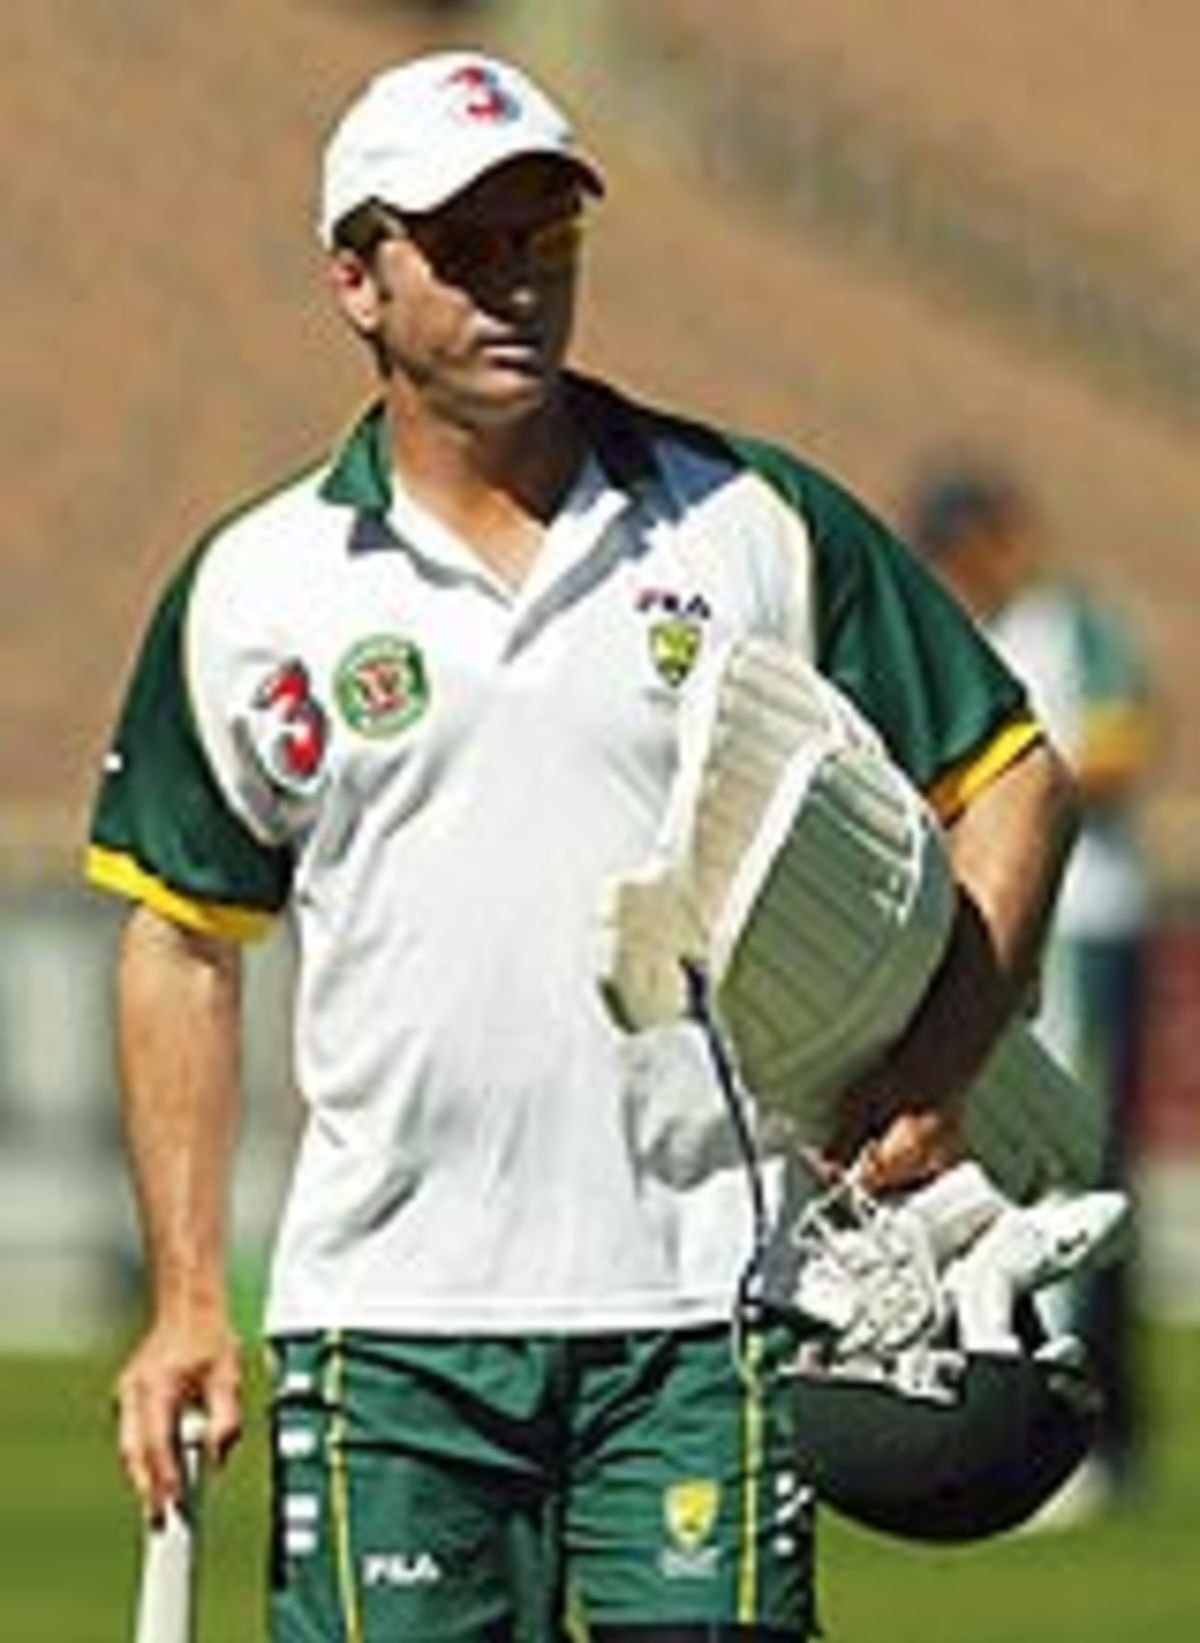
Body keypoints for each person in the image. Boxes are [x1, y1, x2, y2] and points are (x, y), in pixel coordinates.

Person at [87, 51, 1077, 1643]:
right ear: (356, 277)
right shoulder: (257, 586)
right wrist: (192, 1295)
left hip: (708, 1319)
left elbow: (1016, 774)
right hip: (389, 1335)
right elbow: (180, 938)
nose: (518, 284)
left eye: (544, 236)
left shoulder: (750, 519)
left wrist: (938, 1063)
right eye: (465, 247)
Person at [909, 464, 1156, 1517]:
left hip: (1088, 921)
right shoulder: (954, 640)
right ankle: (1012, 1401)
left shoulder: (1072, 627)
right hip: (993, 931)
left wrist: (1023, 790)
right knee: (999, 1174)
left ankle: (1076, 1423)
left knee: (1075, 1168)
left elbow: (1122, 743)